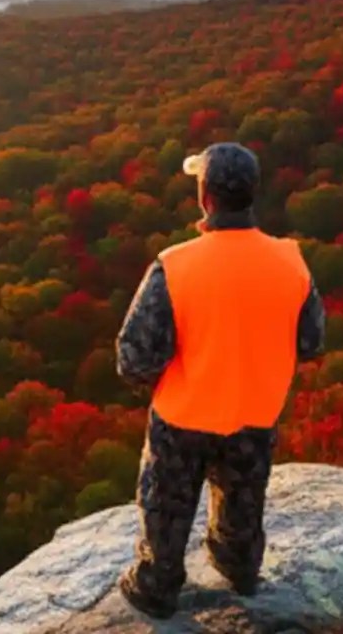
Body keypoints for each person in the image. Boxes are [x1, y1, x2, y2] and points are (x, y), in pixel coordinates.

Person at [115, 142, 326, 619]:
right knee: (243, 499)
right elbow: (311, 341)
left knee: (165, 503)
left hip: (183, 416)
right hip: (255, 411)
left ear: (205, 198)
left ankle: (157, 583)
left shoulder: (175, 264)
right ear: (251, 194)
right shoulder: (291, 261)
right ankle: (239, 567)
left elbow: (133, 357)